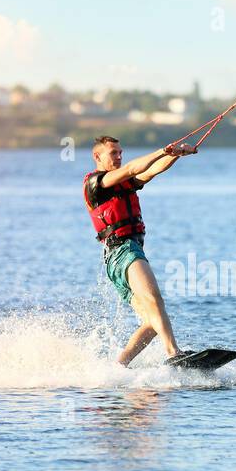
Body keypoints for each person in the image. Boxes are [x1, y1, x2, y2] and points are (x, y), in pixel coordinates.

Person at [82, 135, 198, 365]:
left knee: (153, 321)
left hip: (116, 260)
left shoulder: (123, 183)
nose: (118, 157)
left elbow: (150, 172)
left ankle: (119, 366)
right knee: (155, 300)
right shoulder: (96, 183)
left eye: (120, 152)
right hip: (123, 251)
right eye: (113, 153)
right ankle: (174, 353)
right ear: (97, 156)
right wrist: (162, 150)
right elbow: (132, 168)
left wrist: (177, 155)